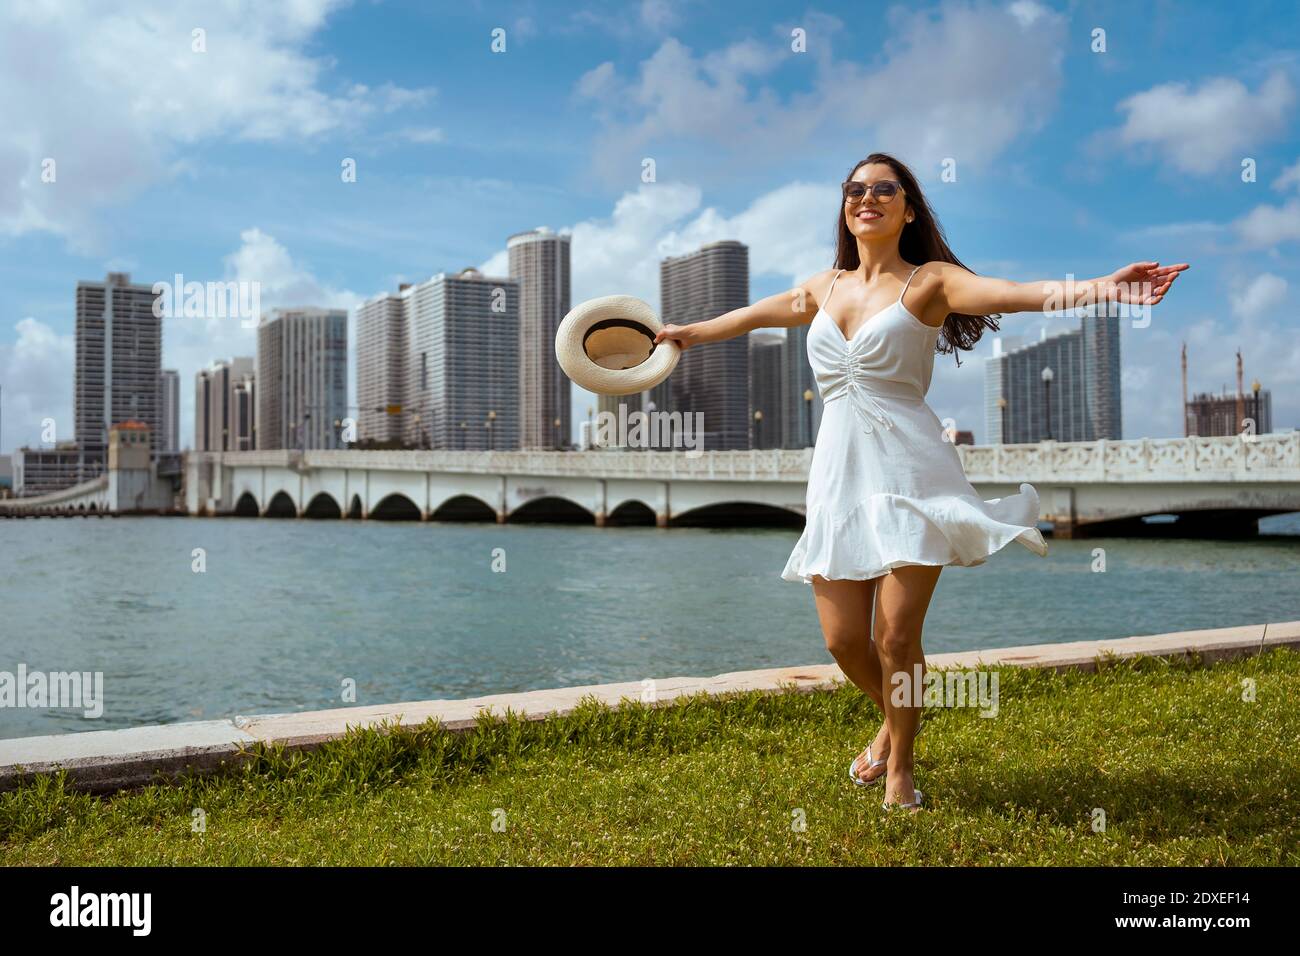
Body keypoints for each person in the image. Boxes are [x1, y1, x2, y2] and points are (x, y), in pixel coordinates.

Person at [653, 152, 1188, 810]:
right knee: (844, 640)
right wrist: (686, 335)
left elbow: (1019, 295)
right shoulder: (824, 287)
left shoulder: (931, 282)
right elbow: (753, 316)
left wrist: (1106, 287)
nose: (867, 198)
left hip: (911, 472)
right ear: (845, 208)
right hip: (837, 478)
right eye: (856, 190)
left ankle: (901, 766)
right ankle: (892, 718)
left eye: (884, 189)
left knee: (895, 637)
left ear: (908, 209)